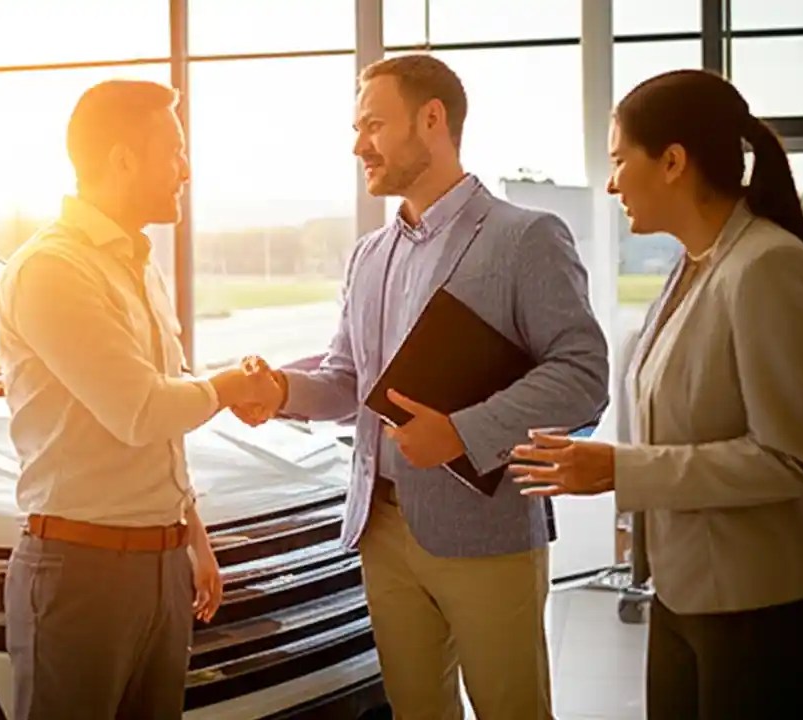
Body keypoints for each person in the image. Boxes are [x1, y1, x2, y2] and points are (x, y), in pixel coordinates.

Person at [237, 54, 609, 719]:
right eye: (357, 128)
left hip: (487, 534)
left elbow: (583, 375)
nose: (358, 146)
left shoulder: (523, 237)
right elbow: (350, 379)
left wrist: (463, 432)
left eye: (373, 125)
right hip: (380, 531)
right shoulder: (369, 254)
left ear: (432, 120)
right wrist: (282, 392)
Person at [511, 69, 803, 719]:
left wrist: (620, 469)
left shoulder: (768, 267)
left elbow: (790, 458)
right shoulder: (695, 266)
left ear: (672, 162)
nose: (611, 184)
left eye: (618, 161)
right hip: (687, 593)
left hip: (766, 607)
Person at [0, 79, 280, 719]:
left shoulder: (136, 263)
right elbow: (142, 410)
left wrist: (192, 534)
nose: (185, 169)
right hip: (80, 573)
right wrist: (234, 383)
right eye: (173, 150)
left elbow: (163, 426)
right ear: (122, 158)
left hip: (160, 568)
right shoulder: (52, 270)